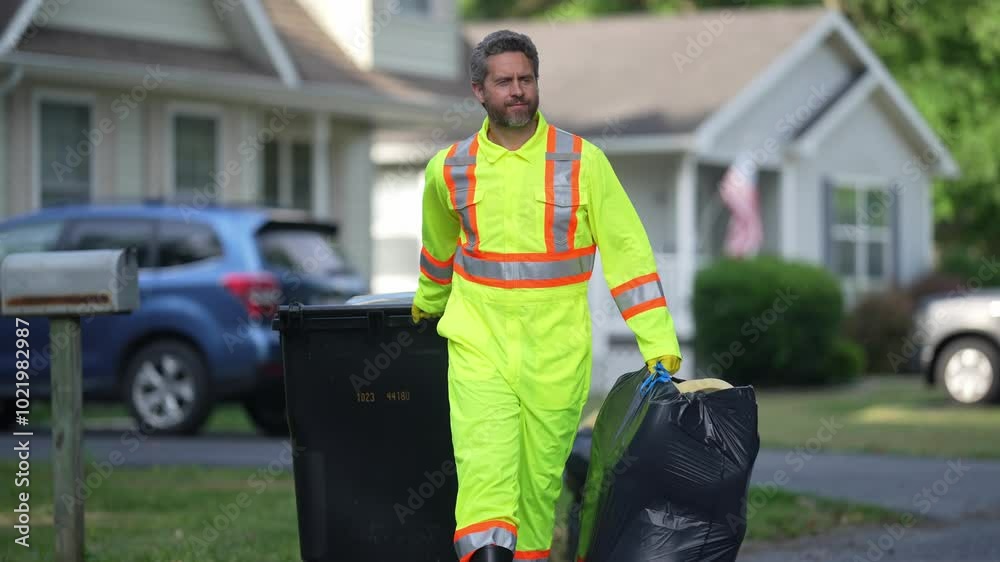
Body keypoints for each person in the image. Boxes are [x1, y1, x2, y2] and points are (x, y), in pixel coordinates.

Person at [411, 29, 682, 562]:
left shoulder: (584, 162)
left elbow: (628, 256)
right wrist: (428, 300)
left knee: (537, 489)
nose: (517, 91)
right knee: (486, 473)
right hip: (478, 345)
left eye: (526, 79)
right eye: (504, 81)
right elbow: (438, 249)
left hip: (557, 354)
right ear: (478, 92)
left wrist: (658, 342)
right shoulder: (448, 169)